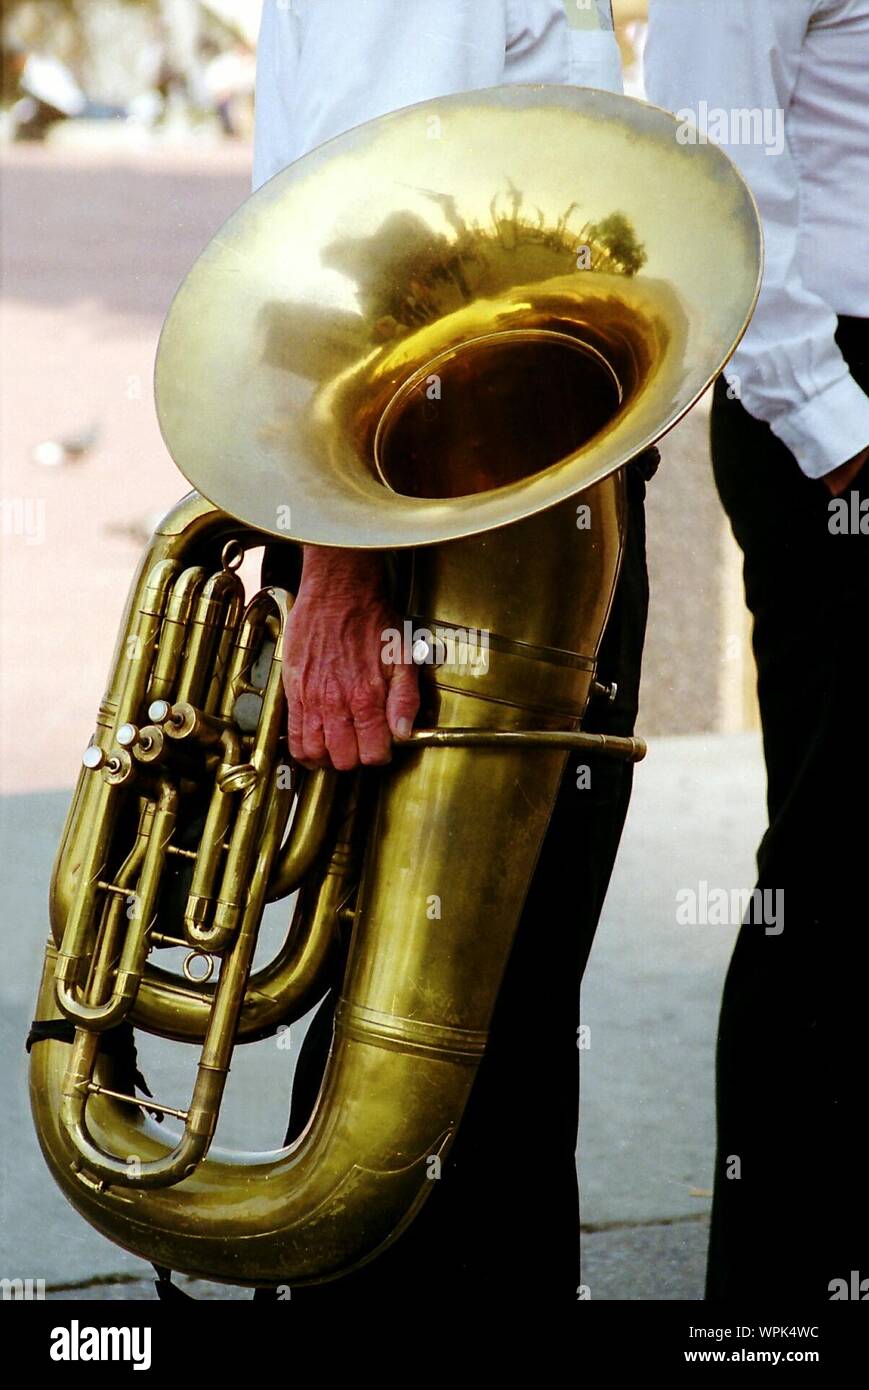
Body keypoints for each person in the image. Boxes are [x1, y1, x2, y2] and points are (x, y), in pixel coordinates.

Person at [251, 0, 654, 1306]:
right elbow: (364, 233)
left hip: (477, 500)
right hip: (422, 519)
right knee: (433, 1032)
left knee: (489, 1025)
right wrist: (335, 580)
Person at [645, 0, 869, 1301]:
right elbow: (705, 164)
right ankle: (780, 1301)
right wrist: (840, 432)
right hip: (834, 390)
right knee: (834, 866)